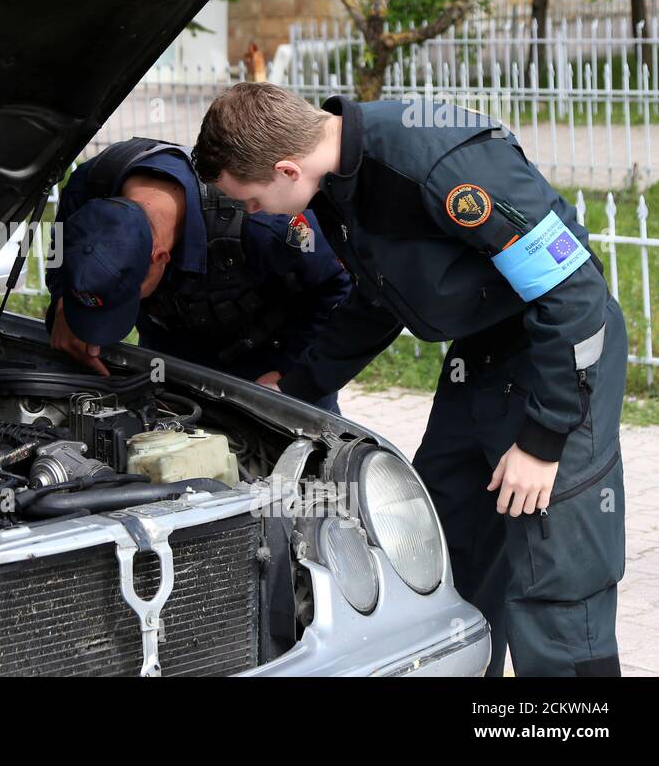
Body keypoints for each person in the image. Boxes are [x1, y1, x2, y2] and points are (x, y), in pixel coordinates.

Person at [195, 81, 626, 677]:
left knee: (556, 577)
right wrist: (293, 385)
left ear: (285, 168)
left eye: (247, 200)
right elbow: (378, 303)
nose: (252, 215)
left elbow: (573, 292)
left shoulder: (437, 166)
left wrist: (543, 441)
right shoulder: (336, 188)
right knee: (443, 549)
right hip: (482, 356)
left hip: (559, 353)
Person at [44, 137, 351, 412]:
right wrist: (66, 300)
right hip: (170, 361)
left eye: (128, 295)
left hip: (270, 364)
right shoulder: (92, 185)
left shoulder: (266, 223)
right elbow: (62, 248)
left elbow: (339, 286)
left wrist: (294, 376)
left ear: (159, 257)